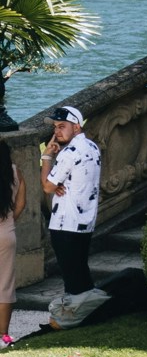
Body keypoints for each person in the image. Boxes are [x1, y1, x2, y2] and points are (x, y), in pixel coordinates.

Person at [42, 106, 101, 310]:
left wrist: (47, 157)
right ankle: (87, 312)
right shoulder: (92, 147)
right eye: (55, 127)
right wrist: (59, 182)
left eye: (62, 126)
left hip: (65, 223)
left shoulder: (70, 152)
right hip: (84, 222)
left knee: (72, 278)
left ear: (76, 127)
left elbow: (47, 186)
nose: (57, 132)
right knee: (81, 273)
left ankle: (76, 315)